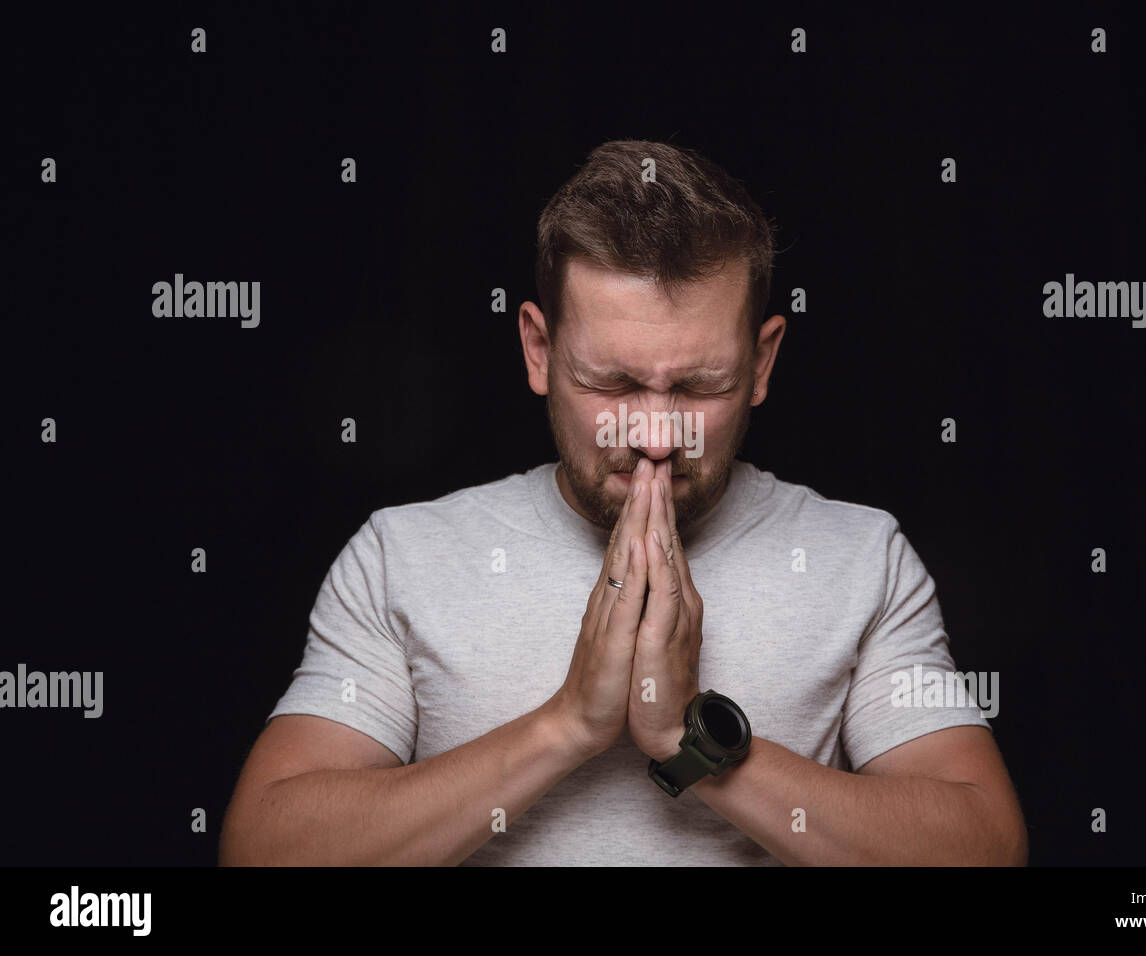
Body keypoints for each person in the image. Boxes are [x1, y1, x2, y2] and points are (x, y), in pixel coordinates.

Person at [218, 140, 1028, 866]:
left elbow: (984, 848)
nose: (653, 433)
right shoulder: (403, 556)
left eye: (699, 387)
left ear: (761, 363)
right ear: (537, 349)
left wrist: (693, 740)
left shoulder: (862, 557)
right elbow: (264, 848)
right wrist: (568, 724)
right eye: (611, 383)